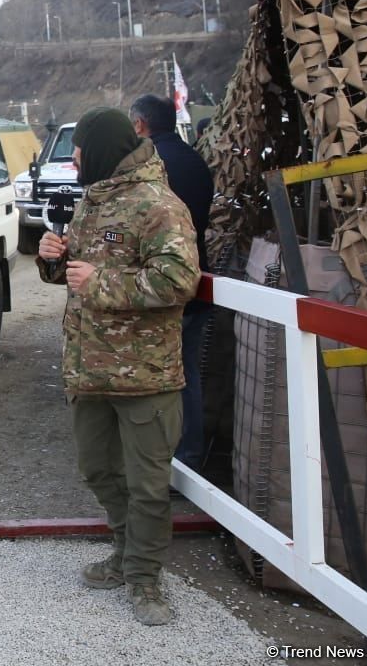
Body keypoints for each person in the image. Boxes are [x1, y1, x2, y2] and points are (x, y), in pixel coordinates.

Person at [37, 107, 200, 626]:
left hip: (145, 376)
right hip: (89, 370)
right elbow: (73, 275)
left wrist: (100, 283)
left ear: (104, 148)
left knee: (148, 485)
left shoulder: (160, 206)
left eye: (80, 150)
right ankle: (126, 555)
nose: (76, 159)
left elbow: (179, 282)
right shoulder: (93, 198)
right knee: (98, 470)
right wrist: (52, 258)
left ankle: (146, 580)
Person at [130, 94, 214, 473]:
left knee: (156, 380)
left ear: (140, 125)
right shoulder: (195, 159)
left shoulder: (151, 167)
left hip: (162, 287)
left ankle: (164, 460)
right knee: (188, 375)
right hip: (197, 282)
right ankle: (190, 458)